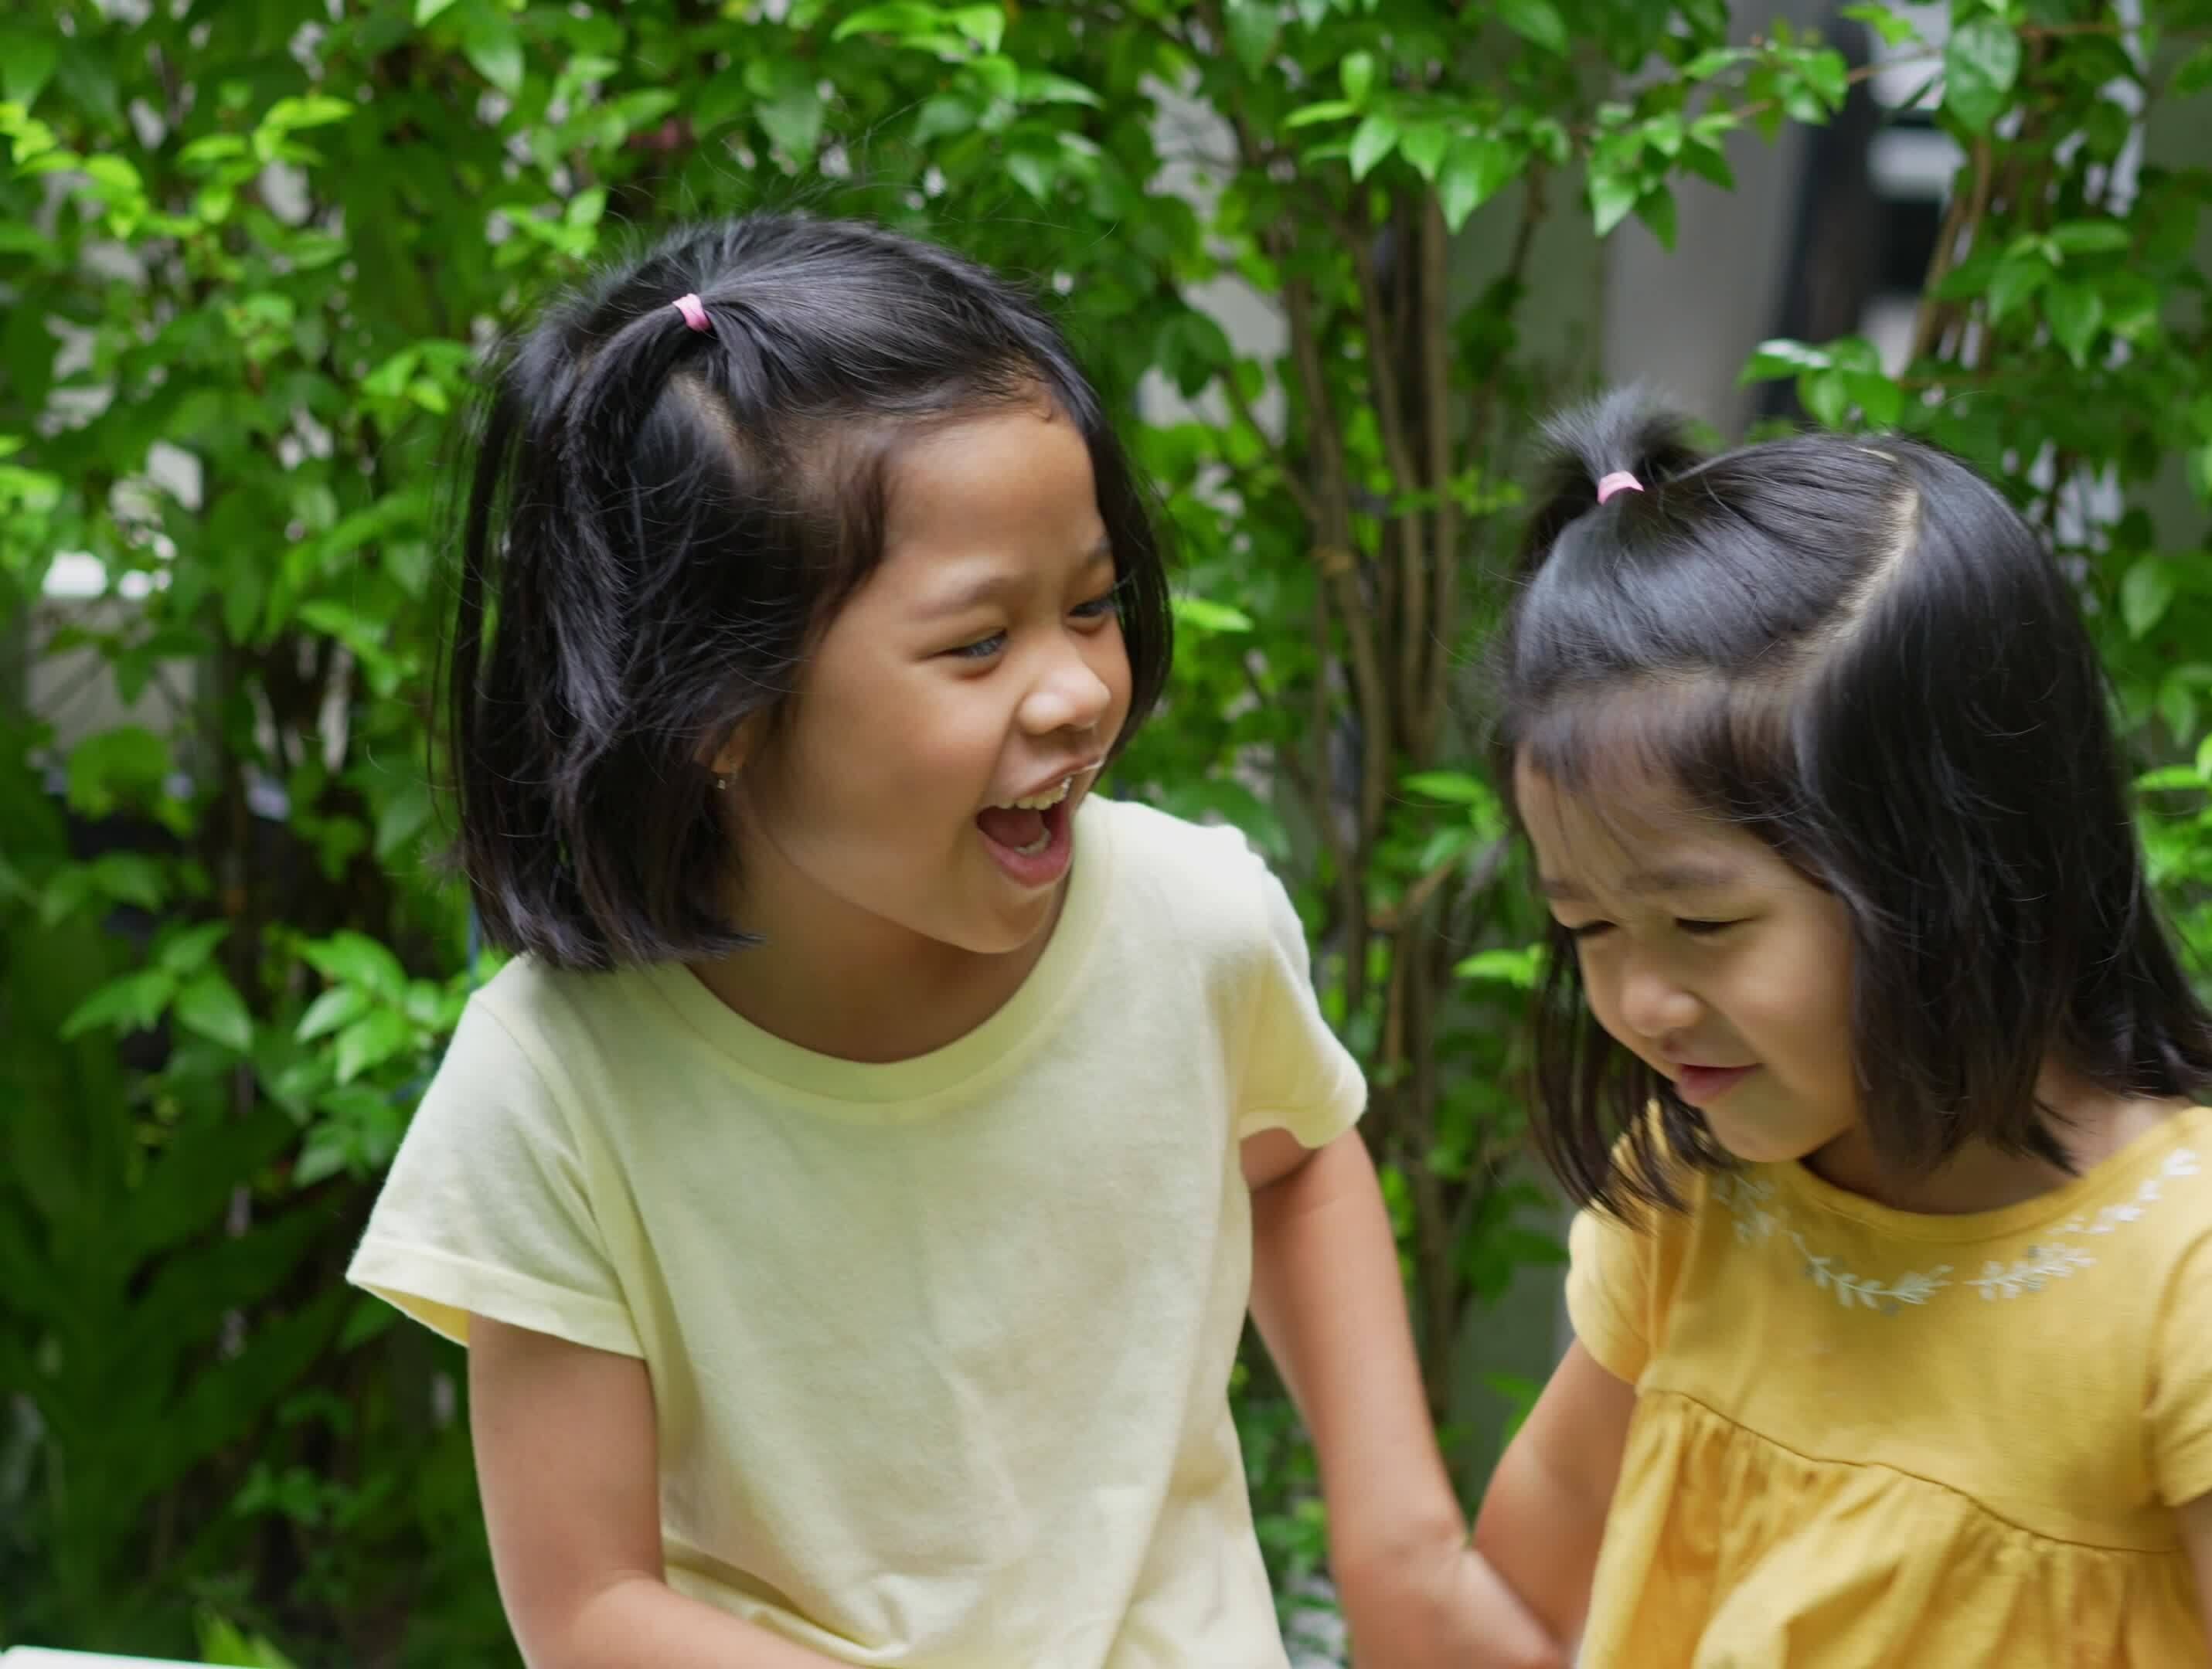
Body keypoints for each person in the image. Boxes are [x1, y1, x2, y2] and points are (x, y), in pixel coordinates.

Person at [349, 213, 1541, 1669]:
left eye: (1092, 607)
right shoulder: (553, 1089)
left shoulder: (1193, 930)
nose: (1072, 694)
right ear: (715, 706)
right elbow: (590, 1609)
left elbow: (1295, 1161)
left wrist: (1399, 1543)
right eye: (978, 643)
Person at [1462, 392, 2212, 1667]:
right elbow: (1523, 1583)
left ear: (1952, 883)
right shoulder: (1701, 1202)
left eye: (1702, 927)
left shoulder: (2194, 1274)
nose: (1638, 1002)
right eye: (1585, 927)